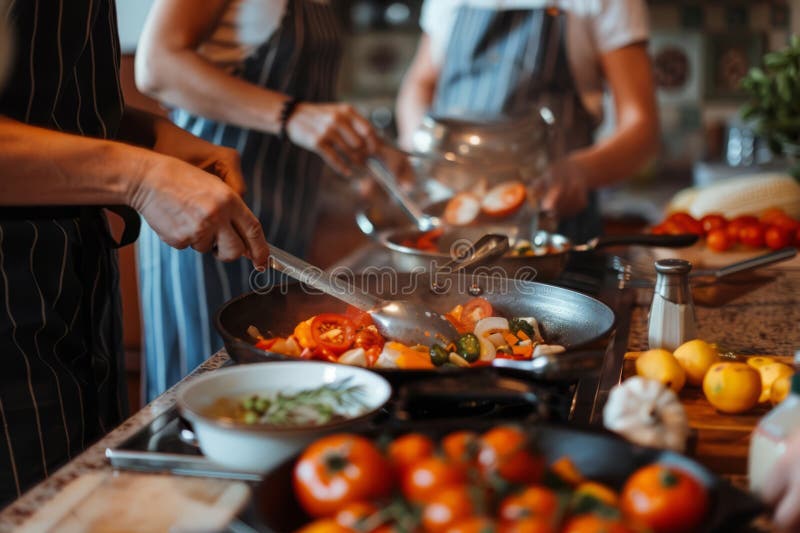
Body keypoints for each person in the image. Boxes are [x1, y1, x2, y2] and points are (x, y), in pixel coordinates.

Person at [0, 0, 268, 505]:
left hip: (74, 291)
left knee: (87, 501)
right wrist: (138, 177)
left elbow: (40, 103)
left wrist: (153, 139)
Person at [135, 0, 381, 401]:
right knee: (204, 395)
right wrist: (291, 115)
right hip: (205, 224)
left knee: (274, 393)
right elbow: (156, 67)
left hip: (287, 222)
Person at [396, 0, 659, 242]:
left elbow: (641, 126)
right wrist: (422, 152)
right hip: (448, 227)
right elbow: (419, 83)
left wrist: (580, 171)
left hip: (553, 235)